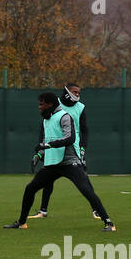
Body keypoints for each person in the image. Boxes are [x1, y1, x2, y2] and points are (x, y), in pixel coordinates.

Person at [5, 91, 115, 232]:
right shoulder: (47, 119)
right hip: (53, 163)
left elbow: (70, 139)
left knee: (87, 191)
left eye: (42, 104)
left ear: (50, 104)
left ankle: (109, 223)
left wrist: (48, 145)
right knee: (30, 188)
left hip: (70, 162)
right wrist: (39, 155)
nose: (39, 107)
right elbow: (46, 140)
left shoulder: (64, 116)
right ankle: (21, 223)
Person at [30, 83, 86, 220]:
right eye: (75, 92)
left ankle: (98, 211)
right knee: (45, 180)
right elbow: (45, 128)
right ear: (67, 91)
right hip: (52, 148)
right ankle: (43, 211)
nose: (77, 95)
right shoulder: (53, 104)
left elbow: (84, 129)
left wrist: (83, 147)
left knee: (84, 183)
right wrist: (41, 149)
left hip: (71, 149)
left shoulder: (80, 108)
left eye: (79, 92)